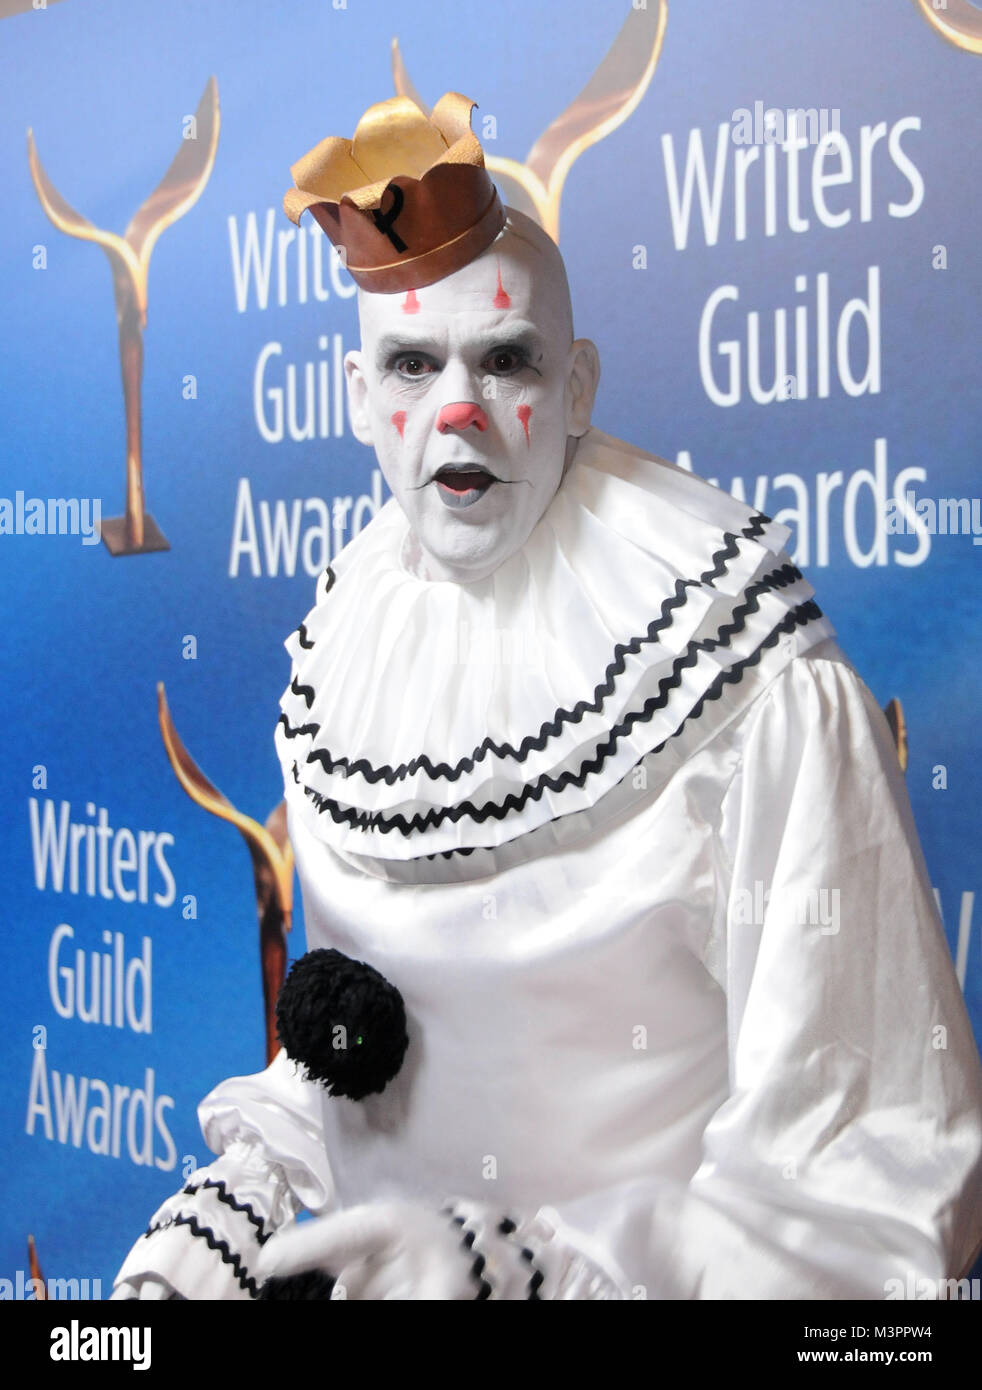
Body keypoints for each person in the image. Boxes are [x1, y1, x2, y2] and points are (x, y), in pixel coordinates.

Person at [112, 93, 982, 1301]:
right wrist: (239, 1194)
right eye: (412, 365)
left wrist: (525, 1273)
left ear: (576, 389)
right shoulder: (352, 638)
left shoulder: (742, 673)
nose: (456, 412)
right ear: (361, 399)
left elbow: (872, 1177)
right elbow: (367, 1039)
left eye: (504, 360)